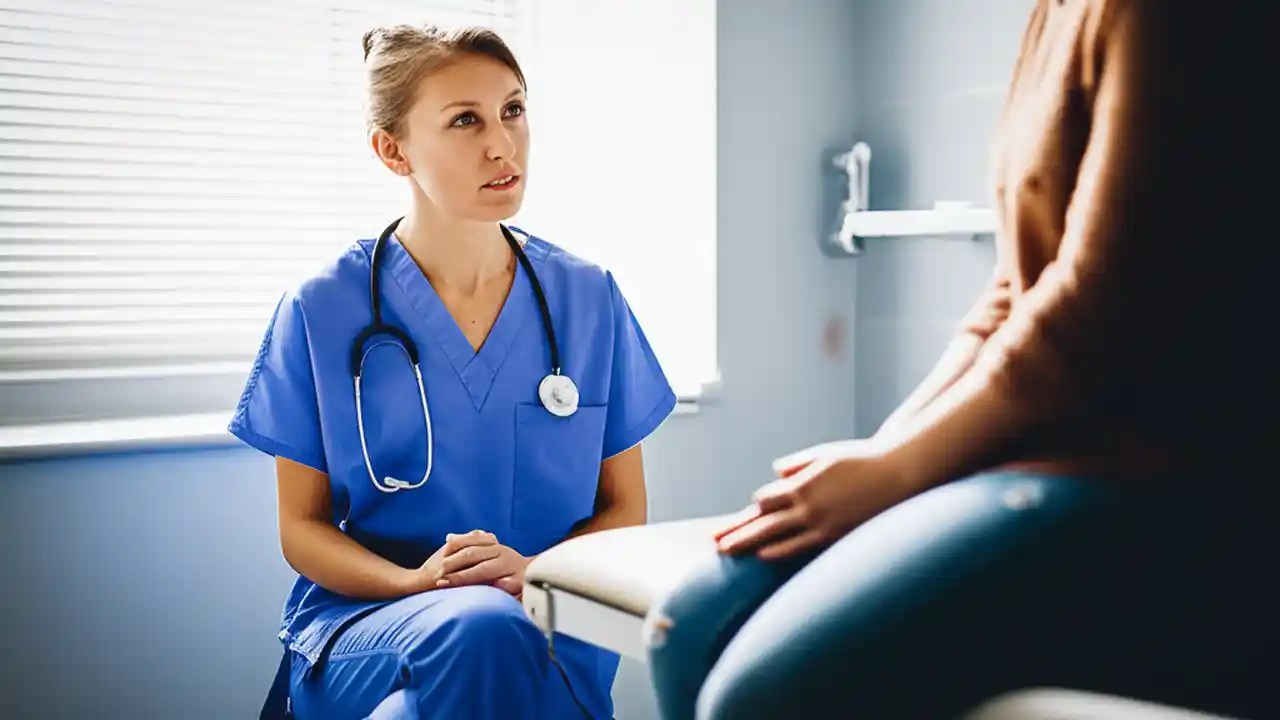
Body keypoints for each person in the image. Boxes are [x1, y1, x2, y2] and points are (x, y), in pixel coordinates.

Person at [696, 0, 1271, 717]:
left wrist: (900, 471)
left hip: (1166, 478)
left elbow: (1090, 310)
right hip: (1046, 455)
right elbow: (1010, 292)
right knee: (691, 627)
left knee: (757, 698)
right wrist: (882, 456)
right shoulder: (1054, 14)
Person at [228, 24, 676, 719]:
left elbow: (625, 508)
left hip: (544, 623)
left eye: (513, 110)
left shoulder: (588, 300)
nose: (502, 144)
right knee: (477, 628)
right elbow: (302, 530)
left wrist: (532, 572)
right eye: (465, 120)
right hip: (372, 626)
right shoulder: (322, 308)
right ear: (391, 149)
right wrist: (417, 584)